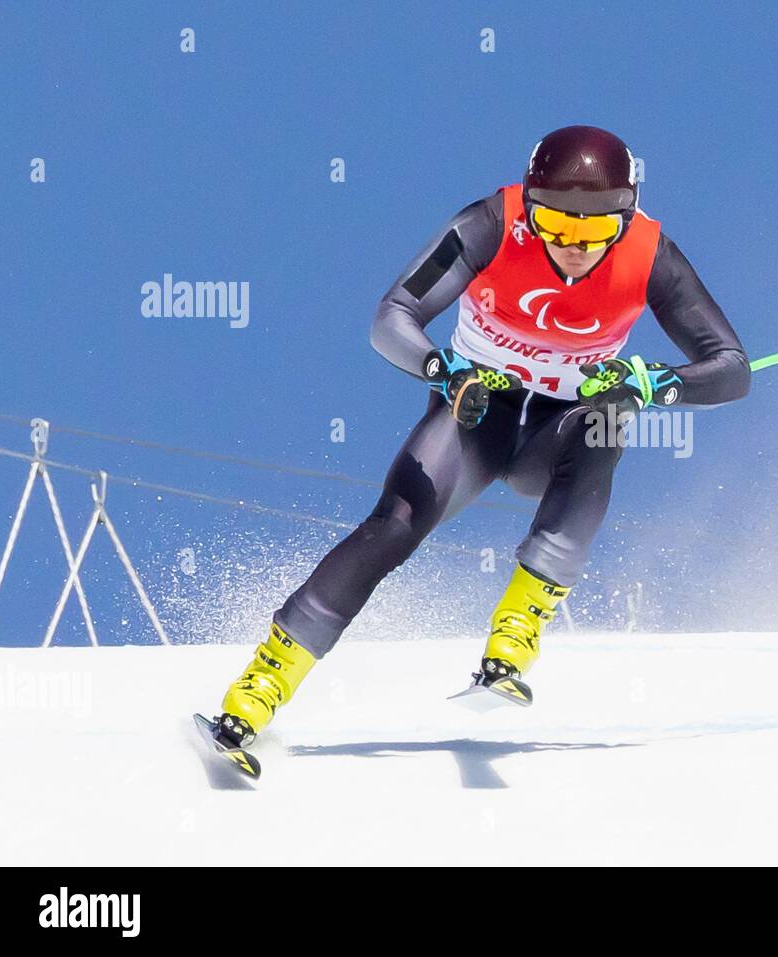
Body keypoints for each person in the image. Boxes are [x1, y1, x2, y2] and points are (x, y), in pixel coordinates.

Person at [212, 125, 750, 746]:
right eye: (555, 224)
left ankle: (516, 633)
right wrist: (442, 370)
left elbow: (731, 369)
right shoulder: (492, 225)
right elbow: (392, 317)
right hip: (479, 415)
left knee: (605, 423)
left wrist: (655, 384)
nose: (573, 246)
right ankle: (259, 688)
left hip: (560, 434)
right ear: (530, 207)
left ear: (627, 219)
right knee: (397, 522)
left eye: (596, 230)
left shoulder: (651, 256)